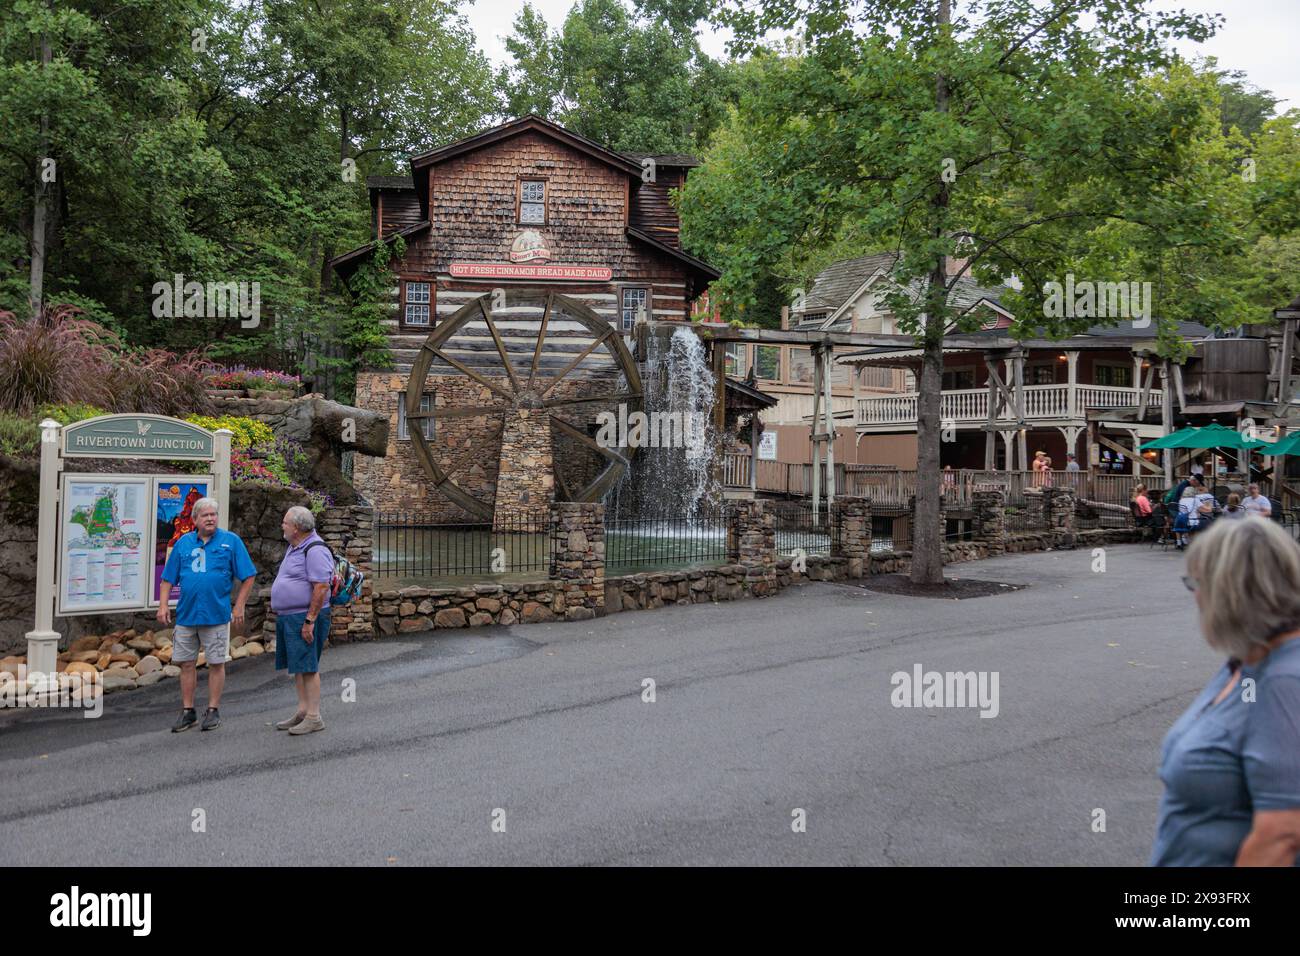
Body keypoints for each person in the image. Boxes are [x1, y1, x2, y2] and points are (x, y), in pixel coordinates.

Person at [1150, 518, 1300, 866]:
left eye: (1196, 584)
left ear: (1231, 591)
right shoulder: (1246, 658)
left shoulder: (1285, 680)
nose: (1195, 596)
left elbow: (1282, 834)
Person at [157, 497, 257, 733]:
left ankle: (213, 709)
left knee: (216, 662)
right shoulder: (183, 544)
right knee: (187, 664)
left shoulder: (230, 542)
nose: (211, 518)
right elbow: (168, 579)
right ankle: (188, 711)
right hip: (186, 615)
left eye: (214, 514)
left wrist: (239, 606)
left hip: (216, 615)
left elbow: (248, 575)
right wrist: (163, 606)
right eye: (205, 515)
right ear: (195, 520)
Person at [271, 505, 336, 735]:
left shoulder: (315, 549)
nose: (282, 526)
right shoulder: (296, 546)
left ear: (296, 528)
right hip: (291, 616)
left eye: (285, 523)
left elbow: (320, 587)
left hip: (304, 617)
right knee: (299, 666)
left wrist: (309, 621)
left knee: (308, 666)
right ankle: (302, 711)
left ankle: (313, 716)